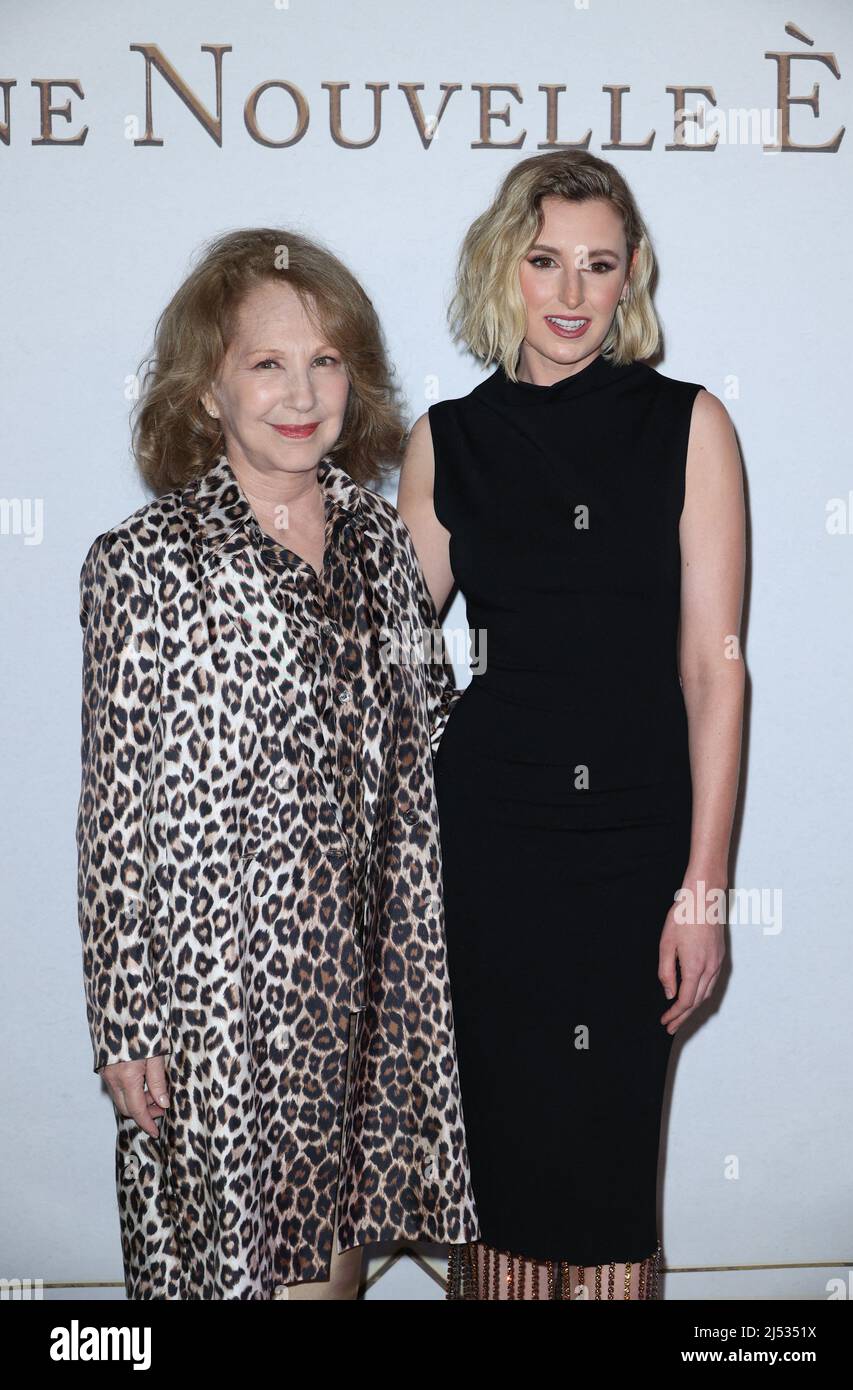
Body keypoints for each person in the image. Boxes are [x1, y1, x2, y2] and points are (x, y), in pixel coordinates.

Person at [76, 227, 478, 1300]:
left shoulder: (382, 547)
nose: (301, 392)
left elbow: (427, 739)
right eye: (266, 362)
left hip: (365, 998)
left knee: (332, 1281)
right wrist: (127, 1023)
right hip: (219, 1009)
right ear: (206, 389)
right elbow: (114, 815)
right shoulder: (142, 563)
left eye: (326, 360)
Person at [398, 152, 745, 1300]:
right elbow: (391, 662)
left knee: (603, 1174)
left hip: (637, 846)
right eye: (544, 258)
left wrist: (701, 887)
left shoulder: (687, 426)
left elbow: (714, 669)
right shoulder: (449, 438)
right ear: (505, 264)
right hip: (488, 845)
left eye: (598, 264)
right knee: (496, 1168)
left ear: (630, 275)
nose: (568, 290)